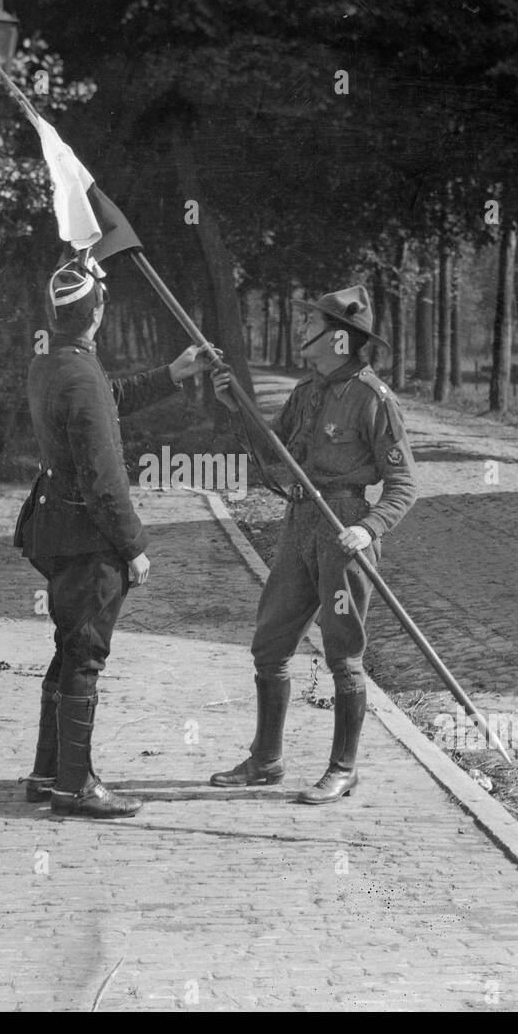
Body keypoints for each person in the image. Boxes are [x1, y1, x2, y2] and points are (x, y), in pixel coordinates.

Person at [13, 257, 214, 818]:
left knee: (68, 645)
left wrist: (173, 373)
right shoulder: (79, 373)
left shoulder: (52, 364)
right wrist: (134, 546)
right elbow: (104, 479)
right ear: (97, 312)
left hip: (55, 528)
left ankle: (49, 772)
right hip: (88, 537)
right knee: (84, 654)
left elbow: (109, 396)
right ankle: (75, 788)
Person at [208, 285, 416, 804]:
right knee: (270, 643)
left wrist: (368, 529)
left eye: (311, 324)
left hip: (344, 530)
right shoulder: (306, 392)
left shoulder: (375, 400)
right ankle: (266, 760)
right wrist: (237, 406)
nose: (302, 329)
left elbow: (404, 485)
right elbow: (273, 449)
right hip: (300, 521)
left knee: (343, 653)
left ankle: (344, 768)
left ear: (340, 340)